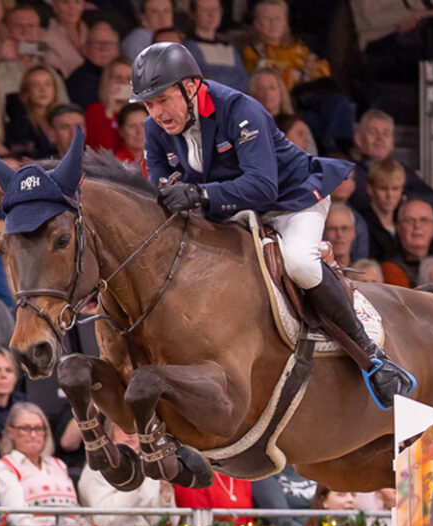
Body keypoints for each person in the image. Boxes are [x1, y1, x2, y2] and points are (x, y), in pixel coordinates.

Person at [123, 43, 406, 409]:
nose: (156, 113)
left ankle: (372, 357)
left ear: (191, 87)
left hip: (291, 200)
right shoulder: (154, 128)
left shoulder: (239, 109)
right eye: (148, 104)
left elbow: (262, 186)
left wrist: (197, 194)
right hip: (228, 210)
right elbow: (160, 190)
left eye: (162, 99)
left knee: (300, 263)